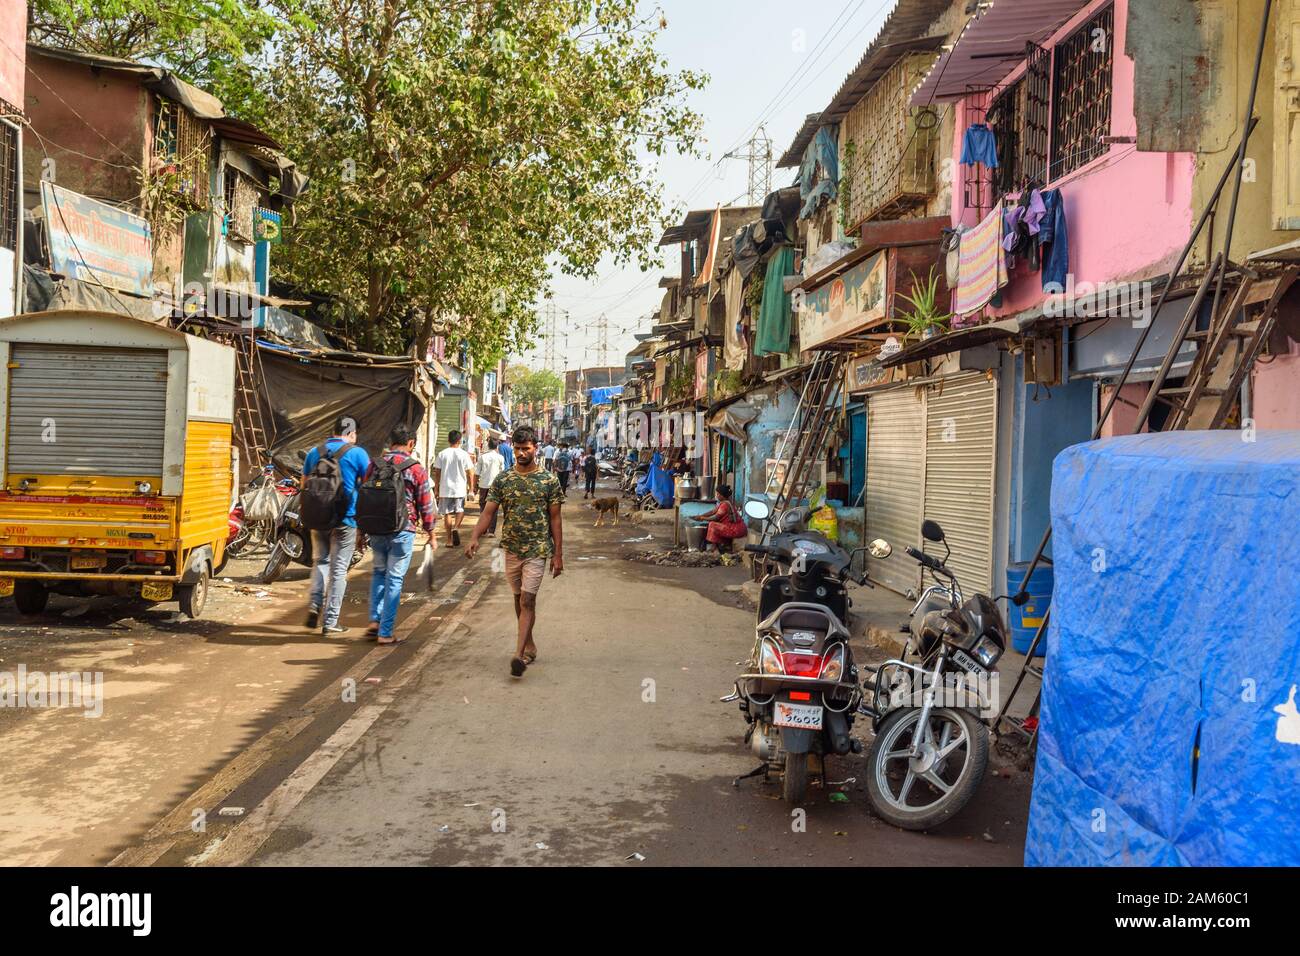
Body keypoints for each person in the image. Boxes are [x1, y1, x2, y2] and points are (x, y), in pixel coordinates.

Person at [465, 425, 563, 678]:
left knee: (527, 600)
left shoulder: (548, 480)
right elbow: (488, 512)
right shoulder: (504, 480)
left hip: (537, 549)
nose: (521, 453)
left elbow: (555, 519)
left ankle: (518, 655)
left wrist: (558, 554)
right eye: (517, 449)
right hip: (510, 549)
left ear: (535, 449)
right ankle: (529, 644)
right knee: (518, 598)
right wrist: (474, 537)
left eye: (526, 449)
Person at [365, 423, 436, 644]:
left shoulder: (374, 464)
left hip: (375, 528)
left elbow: (364, 497)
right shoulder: (415, 468)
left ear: (391, 441)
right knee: (394, 578)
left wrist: (361, 531)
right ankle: (385, 633)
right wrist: (431, 532)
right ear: (411, 443)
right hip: (403, 530)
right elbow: (425, 503)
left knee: (378, 573)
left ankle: (374, 621)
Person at [302, 416, 371, 635]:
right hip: (346, 518)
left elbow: (304, 484)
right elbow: (368, 484)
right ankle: (330, 621)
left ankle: (315, 605)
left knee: (320, 562)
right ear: (351, 433)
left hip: (318, 516)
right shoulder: (357, 453)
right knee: (339, 570)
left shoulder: (315, 452)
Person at [434, 429, 475, 547]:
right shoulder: (464, 454)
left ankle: (449, 540)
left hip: (445, 488)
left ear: (448, 440)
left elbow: (437, 473)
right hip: (460, 488)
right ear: (459, 440)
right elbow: (471, 472)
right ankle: (456, 527)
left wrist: (436, 488)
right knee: (460, 510)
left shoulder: (442, 454)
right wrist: (471, 488)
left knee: (447, 514)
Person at [691, 484, 748, 552]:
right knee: (713, 524)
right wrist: (700, 516)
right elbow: (713, 511)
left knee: (712, 525)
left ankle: (712, 548)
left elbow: (715, 517)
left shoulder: (725, 505)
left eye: (717, 494)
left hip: (736, 529)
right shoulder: (723, 503)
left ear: (722, 495)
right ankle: (718, 547)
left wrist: (702, 518)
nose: (716, 495)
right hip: (735, 527)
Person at [476, 437, 505, 536]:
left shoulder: (482, 457)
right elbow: (502, 473)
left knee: (483, 507)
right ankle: (491, 531)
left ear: (488, 445)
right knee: (494, 508)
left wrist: (475, 487)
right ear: (497, 446)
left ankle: (483, 529)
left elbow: (477, 473)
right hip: (495, 486)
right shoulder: (500, 457)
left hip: (483, 485)